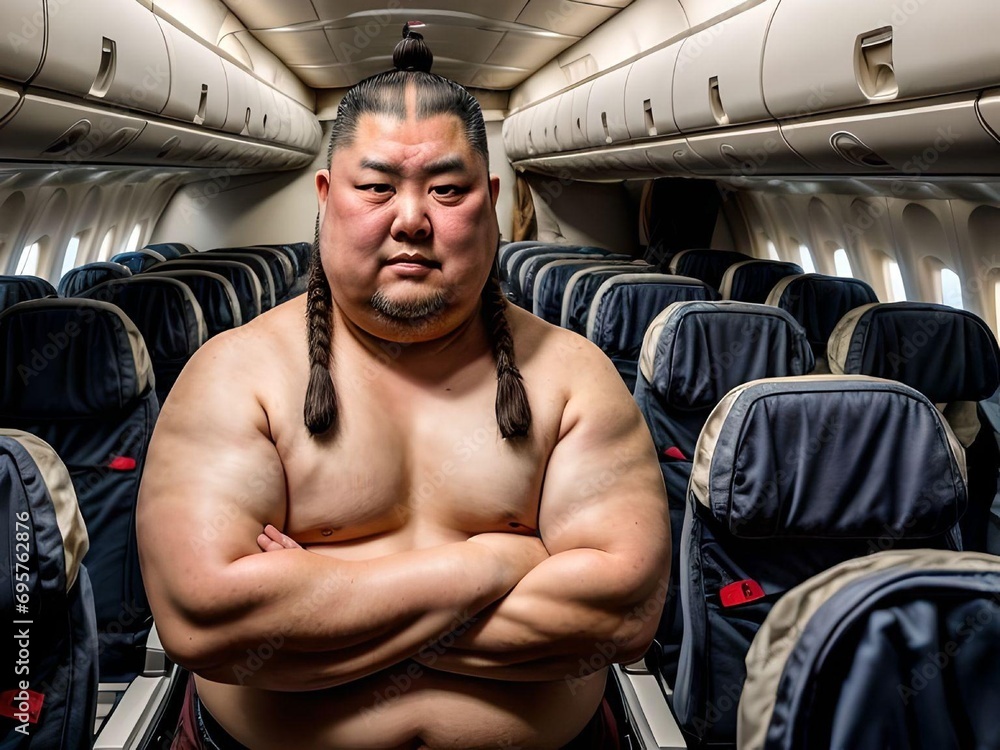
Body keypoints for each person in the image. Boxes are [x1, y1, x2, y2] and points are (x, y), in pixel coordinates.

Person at [138, 26, 670, 750]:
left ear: (488, 199)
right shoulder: (236, 374)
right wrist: (500, 559)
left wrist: (323, 594)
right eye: (378, 187)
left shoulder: (573, 378)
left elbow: (620, 616)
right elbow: (210, 623)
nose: (413, 219)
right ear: (327, 197)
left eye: (447, 191)